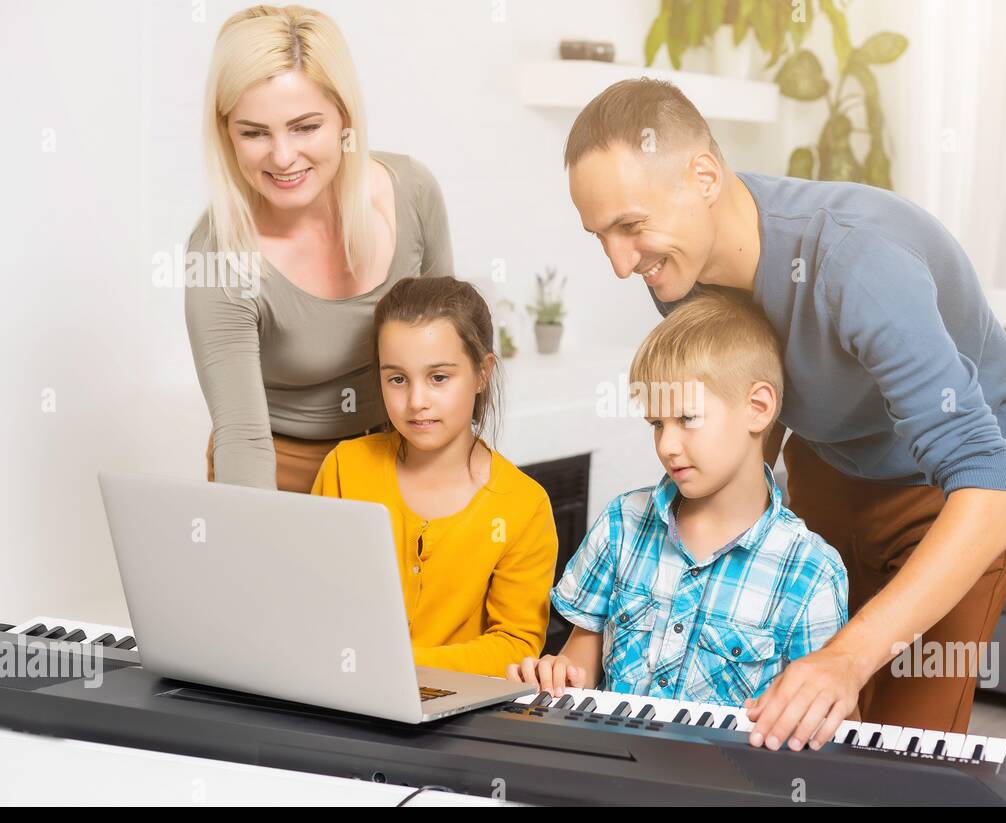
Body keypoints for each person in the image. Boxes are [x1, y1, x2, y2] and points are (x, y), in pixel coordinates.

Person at [564, 78, 1006, 751]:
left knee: (899, 754)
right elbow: (747, 414)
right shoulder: (679, 273)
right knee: (789, 729)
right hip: (828, 457)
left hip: (955, 487)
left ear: (703, 175)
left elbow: (989, 499)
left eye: (630, 227)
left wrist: (849, 657)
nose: (620, 263)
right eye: (601, 236)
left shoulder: (859, 264)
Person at [508, 293, 847, 708]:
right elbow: (579, 664)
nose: (667, 445)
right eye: (656, 423)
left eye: (687, 419)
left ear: (757, 409)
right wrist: (557, 679)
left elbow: (829, 726)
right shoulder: (622, 524)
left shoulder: (810, 574)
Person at [187, 4, 453, 492]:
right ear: (226, 132)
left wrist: (454, 488)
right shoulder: (218, 252)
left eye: (306, 126)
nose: (283, 157)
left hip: (398, 457)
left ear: (344, 119)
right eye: (253, 133)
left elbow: (449, 358)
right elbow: (243, 439)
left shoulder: (412, 193)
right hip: (277, 468)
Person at [312, 277, 558, 674]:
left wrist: (395, 663)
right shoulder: (344, 468)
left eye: (439, 377)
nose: (416, 402)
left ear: (482, 373)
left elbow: (516, 645)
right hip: (345, 697)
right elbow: (314, 596)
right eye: (397, 379)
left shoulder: (523, 506)